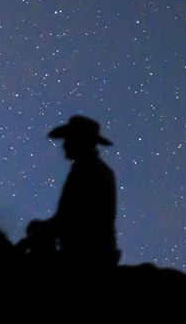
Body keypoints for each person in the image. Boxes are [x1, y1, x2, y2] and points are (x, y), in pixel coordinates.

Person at [24, 115, 121, 277]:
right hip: (86, 250)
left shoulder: (93, 172)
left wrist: (46, 229)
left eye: (69, 139)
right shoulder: (87, 170)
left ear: (80, 141)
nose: (65, 144)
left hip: (88, 255)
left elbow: (77, 217)